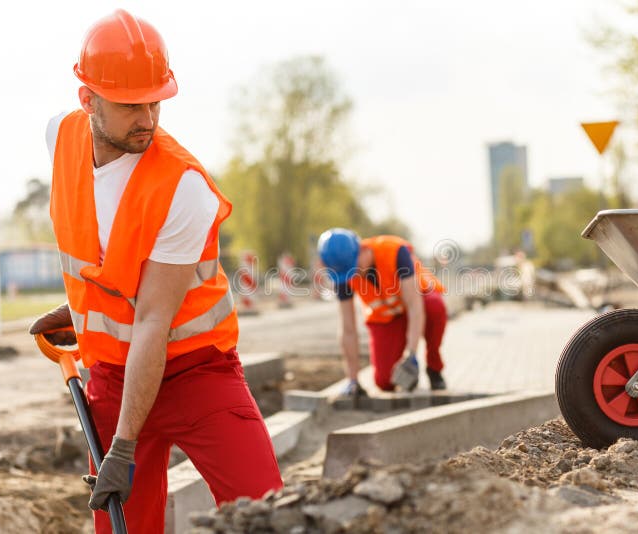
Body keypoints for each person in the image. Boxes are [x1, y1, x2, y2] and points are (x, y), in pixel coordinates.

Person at [29, 10, 282, 532]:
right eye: (129, 105)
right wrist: (80, 311)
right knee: (125, 525)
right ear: (88, 100)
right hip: (116, 376)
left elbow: (152, 320)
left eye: (155, 101)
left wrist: (122, 448)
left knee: (268, 511)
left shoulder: (182, 187)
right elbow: (104, 258)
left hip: (198, 374)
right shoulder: (60, 140)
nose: (146, 117)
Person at [317, 228, 448, 393]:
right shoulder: (344, 273)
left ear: (362, 250)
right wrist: (353, 380)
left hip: (419, 304)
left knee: (435, 307)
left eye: (354, 268)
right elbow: (348, 329)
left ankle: (434, 367)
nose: (352, 275)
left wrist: (411, 354)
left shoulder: (394, 251)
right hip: (388, 318)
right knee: (384, 381)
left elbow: (415, 307)